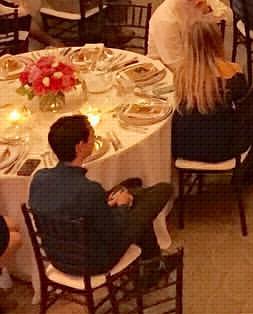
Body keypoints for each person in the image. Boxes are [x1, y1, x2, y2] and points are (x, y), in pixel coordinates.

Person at [28, 113, 172, 277]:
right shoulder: (89, 191)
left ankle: (153, 263)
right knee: (162, 190)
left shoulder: (38, 179)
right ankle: (153, 266)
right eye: (92, 134)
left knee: (132, 187)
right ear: (80, 146)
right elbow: (114, 231)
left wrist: (106, 206)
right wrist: (123, 206)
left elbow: (68, 208)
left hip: (57, 257)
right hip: (95, 261)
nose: (94, 138)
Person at [172, 21, 253, 174]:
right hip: (221, 148)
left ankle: (252, 163)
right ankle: (252, 163)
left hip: (185, 146)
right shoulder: (232, 71)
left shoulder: (181, 73)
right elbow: (247, 111)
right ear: (217, 41)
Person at [148, 0, 228, 70]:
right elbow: (174, 62)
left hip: (199, 59)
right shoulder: (165, 19)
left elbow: (228, 16)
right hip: (168, 72)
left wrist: (207, 11)